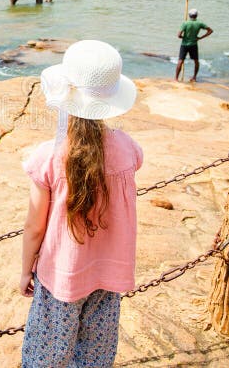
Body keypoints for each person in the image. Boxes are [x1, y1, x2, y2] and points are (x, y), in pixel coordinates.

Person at [19, 40, 143, 367]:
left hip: (60, 277)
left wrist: (25, 270)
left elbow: (34, 227)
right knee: (94, 356)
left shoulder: (48, 156)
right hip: (109, 275)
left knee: (46, 356)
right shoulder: (128, 148)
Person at [175, 8, 213, 82]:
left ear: (189, 15)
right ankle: (194, 77)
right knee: (196, 61)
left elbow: (178, 35)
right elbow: (210, 31)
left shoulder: (185, 23)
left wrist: (183, 37)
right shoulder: (200, 23)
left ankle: (176, 78)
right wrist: (200, 38)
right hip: (194, 44)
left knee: (180, 61)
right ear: (197, 15)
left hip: (184, 44)